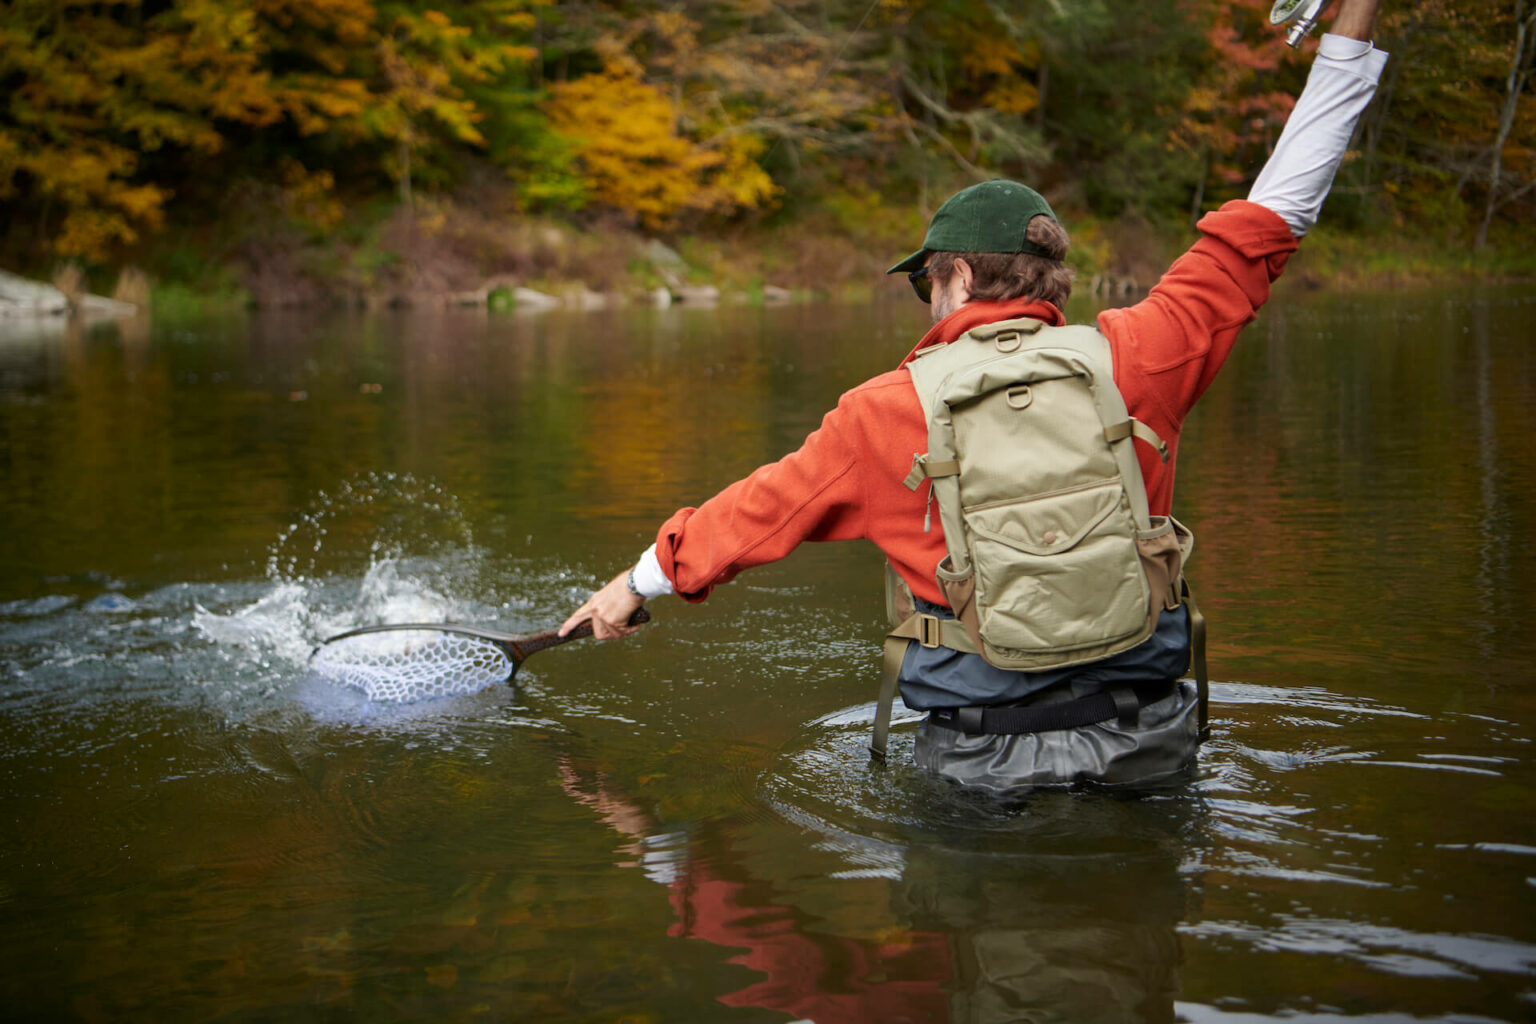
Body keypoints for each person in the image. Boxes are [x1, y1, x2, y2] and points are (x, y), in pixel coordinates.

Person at [561, 0, 1388, 792]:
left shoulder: (883, 411)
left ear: (955, 275)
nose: (924, 293)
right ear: (1048, 278)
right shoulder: (1142, 354)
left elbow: (751, 517)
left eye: (925, 277)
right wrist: (1353, 24)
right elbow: (1273, 216)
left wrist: (636, 584)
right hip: (1147, 740)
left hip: (984, 763)